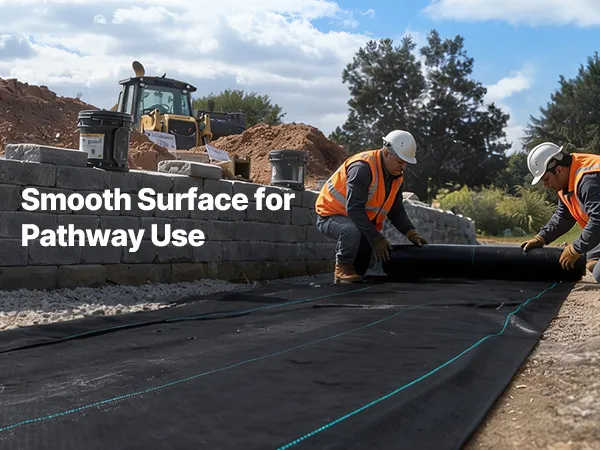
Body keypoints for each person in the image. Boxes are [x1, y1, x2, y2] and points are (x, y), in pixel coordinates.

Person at [314, 130, 429, 284]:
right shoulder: (362, 167)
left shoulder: (396, 176)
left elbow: (396, 209)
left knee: (361, 268)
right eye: (400, 161)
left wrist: (410, 232)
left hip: (356, 220)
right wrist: (376, 238)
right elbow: (354, 209)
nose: (403, 167)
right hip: (331, 215)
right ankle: (342, 268)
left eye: (405, 163)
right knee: (350, 231)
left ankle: (352, 269)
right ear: (386, 153)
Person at [520, 142, 600, 282]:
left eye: (546, 179)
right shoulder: (567, 183)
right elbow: (563, 216)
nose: (545, 185)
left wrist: (575, 248)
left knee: (599, 272)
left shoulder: (588, 179)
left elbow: (598, 219)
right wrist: (541, 238)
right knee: (591, 261)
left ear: (559, 169)